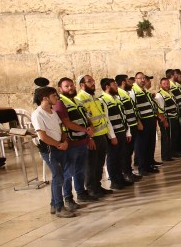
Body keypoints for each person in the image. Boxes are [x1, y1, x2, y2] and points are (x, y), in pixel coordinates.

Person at [31, 87, 75, 218]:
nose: (57, 98)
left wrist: (64, 140)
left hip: (60, 146)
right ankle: (59, 208)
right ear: (45, 98)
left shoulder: (53, 112)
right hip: (50, 149)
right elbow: (43, 136)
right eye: (54, 96)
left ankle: (53, 204)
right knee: (58, 177)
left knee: (61, 175)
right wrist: (58, 144)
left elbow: (61, 128)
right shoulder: (37, 114)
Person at [55, 77, 96, 207]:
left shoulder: (77, 100)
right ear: (60, 89)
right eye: (67, 86)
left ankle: (81, 193)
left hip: (82, 141)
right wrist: (85, 130)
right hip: (71, 143)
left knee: (80, 170)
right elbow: (66, 122)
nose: (70, 88)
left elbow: (86, 117)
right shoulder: (60, 103)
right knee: (68, 172)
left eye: (71, 85)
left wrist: (89, 131)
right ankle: (68, 198)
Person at [77, 75, 117, 197]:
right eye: (89, 81)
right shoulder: (80, 99)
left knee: (99, 163)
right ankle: (91, 188)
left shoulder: (94, 97)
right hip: (92, 136)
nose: (93, 83)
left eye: (93, 81)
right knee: (91, 165)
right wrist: (89, 137)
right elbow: (85, 119)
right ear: (82, 85)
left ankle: (97, 186)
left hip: (102, 134)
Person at [100, 77, 134, 190]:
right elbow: (107, 119)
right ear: (107, 87)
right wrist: (112, 136)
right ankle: (114, 181)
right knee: (113, 158)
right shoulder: (102, 100)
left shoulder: (117, 98)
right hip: (113, 134)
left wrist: (127, 131)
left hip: (122, 131)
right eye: (114, 85)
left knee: (121, 156)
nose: (116, 86)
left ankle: (121, 178)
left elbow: (124, 116)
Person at [132, 72, 161, 175]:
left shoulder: (144, 90)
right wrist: (138, 121)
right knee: (142, 145)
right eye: (141, 78)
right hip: (143, 121)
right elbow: (133, 108)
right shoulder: (133, 91)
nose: (143, 80)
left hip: (150, 119)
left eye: (144, 78)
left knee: (150, 144)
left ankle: (149, 165)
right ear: (136, 79)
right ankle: (142, 168)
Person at [116, 74, 142, 182]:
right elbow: (123, 113)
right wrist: (128, 130)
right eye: (128, 81)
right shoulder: (119, 94)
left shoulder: (125, 93)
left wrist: (137, 121)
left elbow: (132, 110)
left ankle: (129, 171)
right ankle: (125, 173)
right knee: (126, 152)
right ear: (123, 82)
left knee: (129, 151)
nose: (130, 83)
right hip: (128, 127)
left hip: (132, 125)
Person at [156, 77, 180, 162]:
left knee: (172, 136)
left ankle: (171, 153)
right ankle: (166, 156)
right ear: (161, 85)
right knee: (166, 137)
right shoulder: (160, 95)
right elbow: (160, 110)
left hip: (173, 117)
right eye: (164, 84)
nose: (166, 85)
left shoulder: (169, 92)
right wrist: (164, 121)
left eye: (167, 84)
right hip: (167, 118)